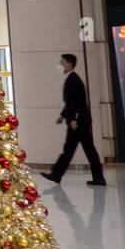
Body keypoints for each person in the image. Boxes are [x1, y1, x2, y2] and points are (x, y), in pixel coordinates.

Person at [42, 53, 107, 186]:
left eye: (62, 62)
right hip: (79, 121)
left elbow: (79, 103)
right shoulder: (71, 78)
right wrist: (63, 115)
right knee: (85, 149)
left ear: (69, 64)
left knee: (71, 149)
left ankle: (57, 174)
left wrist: (74, 119)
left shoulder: (73, 80)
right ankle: (98, 178)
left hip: (78, 122)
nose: (60, 65)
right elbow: (70, 102)